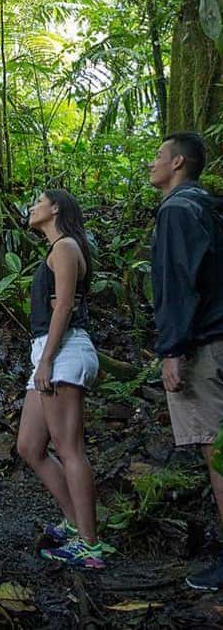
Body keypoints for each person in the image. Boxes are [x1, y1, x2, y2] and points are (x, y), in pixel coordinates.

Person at [148, 132, 223, 591]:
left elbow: (178, 283)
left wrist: (172, 350)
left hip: (204, 347)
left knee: (218, 454)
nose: (151, 164)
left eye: (158, 156)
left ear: (178, 163)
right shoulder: (211, 206)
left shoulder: (177, 210)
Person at [16, 189, 105, 569]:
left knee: (69, 449)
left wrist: (47, 361)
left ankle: (89, 544)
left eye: (38, 200)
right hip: (49, 350)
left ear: (55, 208)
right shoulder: (57, 250)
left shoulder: (66, 246)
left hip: (64, 351)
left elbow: (65, 305)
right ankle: (74, 523)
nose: (31, 207)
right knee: (29, 446)